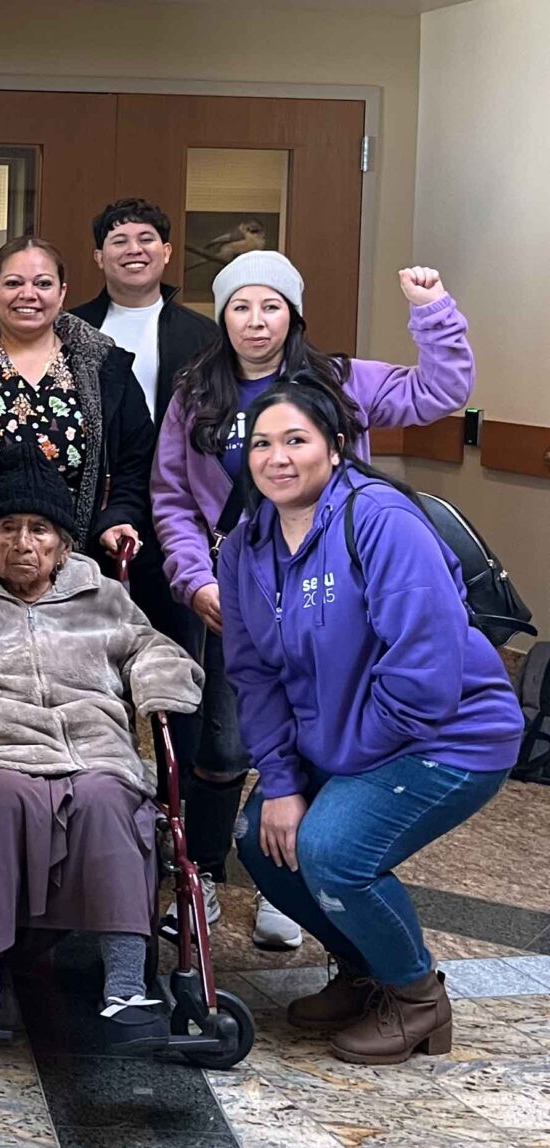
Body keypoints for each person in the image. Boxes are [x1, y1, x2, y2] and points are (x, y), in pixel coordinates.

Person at [151, 251, 475, 951]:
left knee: (324, 726)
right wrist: (195, 578)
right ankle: (204, 875)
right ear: (223, 316)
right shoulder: (196, 393)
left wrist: (432, 313)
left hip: (332, 590)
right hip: (239, 589)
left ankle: (288, 884)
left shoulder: (338, 380)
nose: (255, 321)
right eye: (240, 307)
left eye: (270, 306)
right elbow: (172, 497)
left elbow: (440, 390)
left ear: (293, 313)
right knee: (226, 740)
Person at [220, 381, 519, 1065]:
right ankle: (363, 974)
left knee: (331, 848)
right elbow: (254, 676)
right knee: (261, 837)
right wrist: (283, 780)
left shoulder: (380, 519)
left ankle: (417, 998)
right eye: (261, 443)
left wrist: (332, 769)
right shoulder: (244, 547)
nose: (277, 457)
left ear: (335, 447)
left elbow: (424, 676)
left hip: (448, 737)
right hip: (346, 742)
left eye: (296, 440)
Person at [0, 444, 203, 1045]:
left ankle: (127, 985)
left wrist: (158, 679)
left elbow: (150, 646)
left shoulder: (101, 595)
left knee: (107, 799)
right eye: (8, 528)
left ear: (64, 546)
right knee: (1, 796)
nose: (22, 543)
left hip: (92, 750)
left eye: (39, 530)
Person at [0, 236, 153, 562]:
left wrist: (116, 518)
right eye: (13, 283)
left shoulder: (103, 365)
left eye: (43, 283)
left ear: (62, 293)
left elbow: (135, 460)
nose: (28, 294)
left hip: (76, 558)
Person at [66, 197, 217, 641]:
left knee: (176, 639)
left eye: (146, 239)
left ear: (166, 252)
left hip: (178, 507)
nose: (134, 249)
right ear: (99, 257)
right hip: (92, 506)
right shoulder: (72, 330)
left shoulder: (204, 335)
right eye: (119, 241)